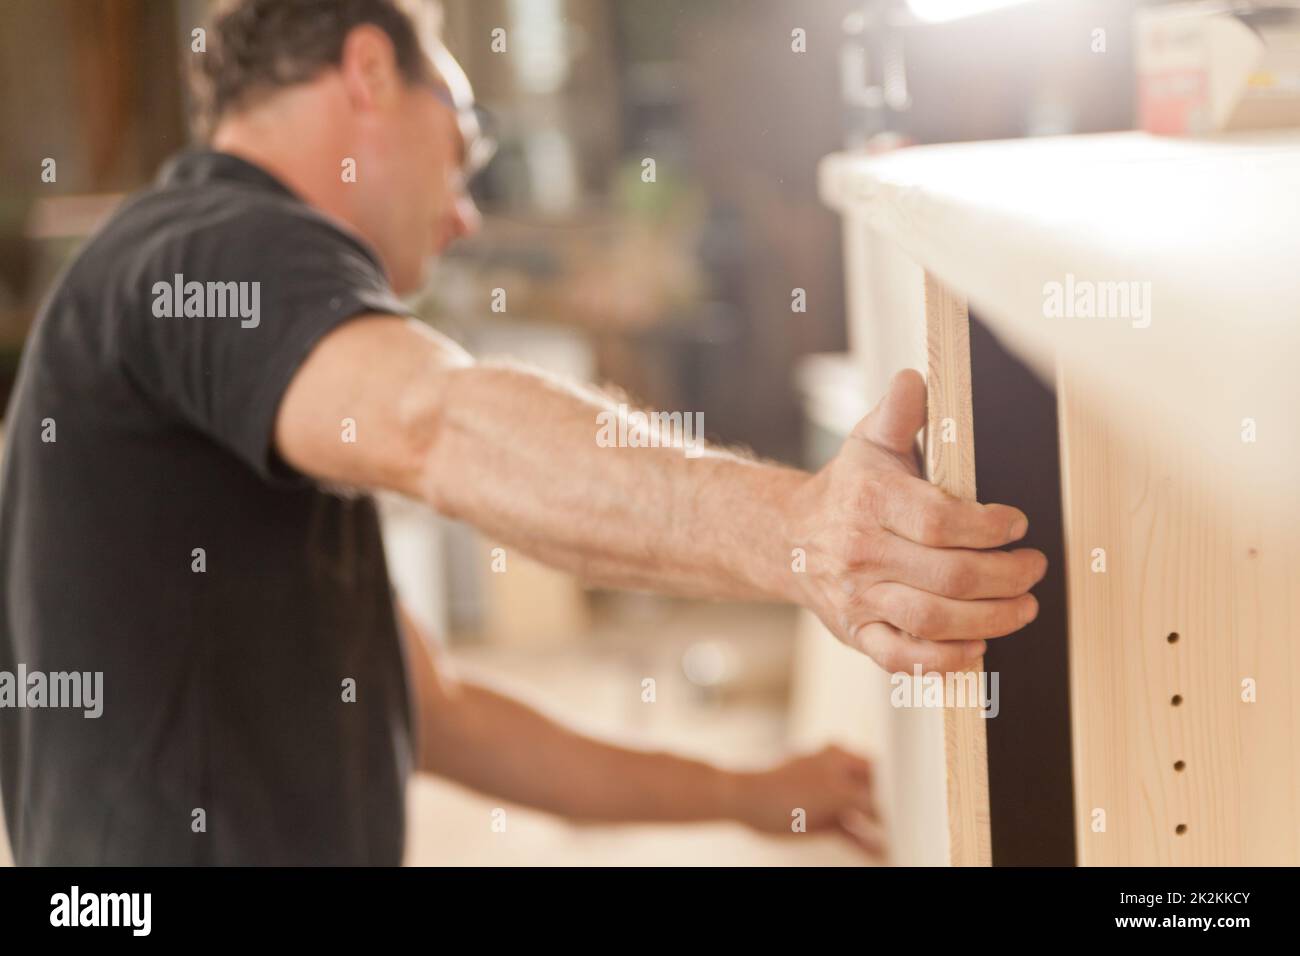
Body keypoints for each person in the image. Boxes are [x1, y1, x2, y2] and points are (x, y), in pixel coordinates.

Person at [0, 0, 1045, 865]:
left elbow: (439, 712)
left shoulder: (199, 299)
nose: (462, 216)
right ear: (367, 71)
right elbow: (433, 420)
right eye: (464, 140)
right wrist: (802, 528)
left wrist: (750, 790)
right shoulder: (220, 248)